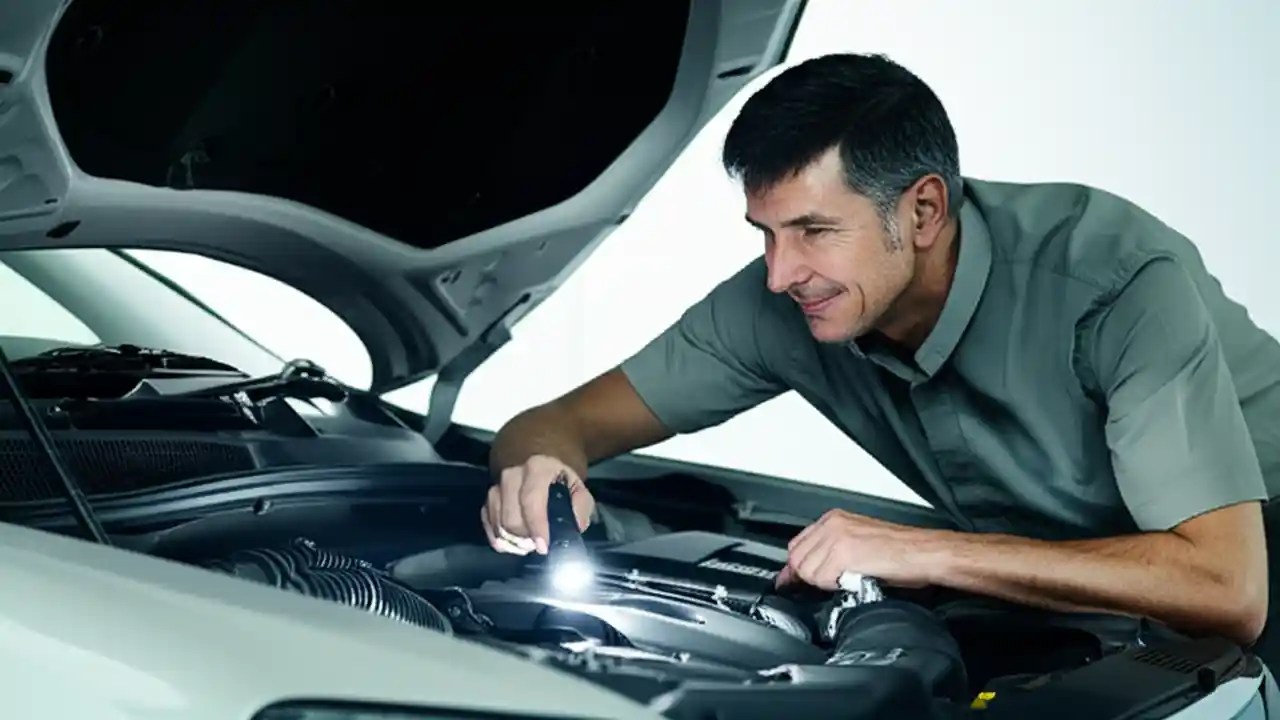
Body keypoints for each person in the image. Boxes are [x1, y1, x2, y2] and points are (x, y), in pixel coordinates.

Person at [479, 52, 1280, 647]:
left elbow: (1227, 587)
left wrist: (919, 549)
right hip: (1083, 608)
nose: (781, 272)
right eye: (766, 233)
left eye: (816, 231)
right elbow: (553, 424)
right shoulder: (787, 298)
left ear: (924, 210)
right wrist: (540, 474)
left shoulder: (1113, 285)